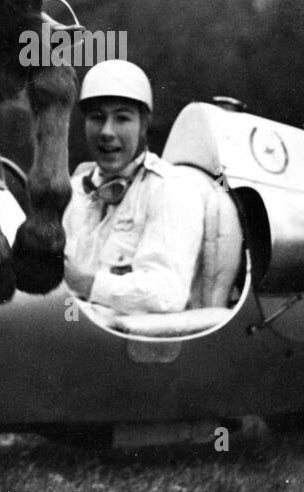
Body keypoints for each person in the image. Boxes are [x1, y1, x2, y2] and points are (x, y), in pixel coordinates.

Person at [62, 60, 207, 314]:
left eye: (122, 118)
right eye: (97, 117)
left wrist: (84, 283)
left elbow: (166, 293)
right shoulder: (72, 192)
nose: (107, 131)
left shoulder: (171, 191)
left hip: (130, 345)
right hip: (68, 332)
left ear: (144, 123)